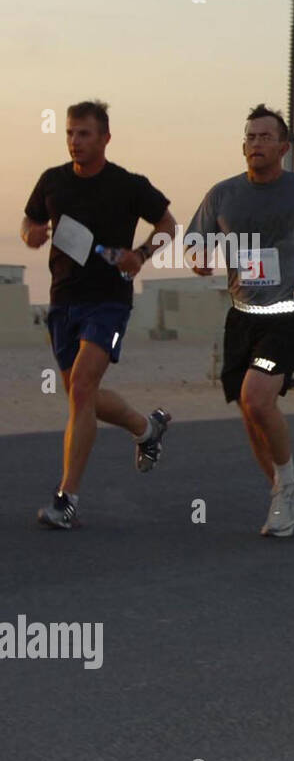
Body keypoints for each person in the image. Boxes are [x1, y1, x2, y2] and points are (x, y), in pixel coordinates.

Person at [187, 104, 294, 534]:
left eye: (265, 137)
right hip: (243, 315)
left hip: (291, 312)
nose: (256, 144)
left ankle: (286, 490)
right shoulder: (222, 194)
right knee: (250, 408)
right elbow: (193, 242)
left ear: (283, 146)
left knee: (258, 396)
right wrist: (198, 257)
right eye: (250, 137)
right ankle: (286, 487)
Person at [21, 100, 177, 529]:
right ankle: (147, 429)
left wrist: (142, 254)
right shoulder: (52, 182)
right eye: (70, 133)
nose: (75, 141)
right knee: (79, 394)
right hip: (63, 300)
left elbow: (168, 226)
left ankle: (66, 498)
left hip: (109, 301)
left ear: (105, 137)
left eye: (84, 134)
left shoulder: (127, 185)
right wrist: (31, 234)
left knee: (84, 386)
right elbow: (30, 223)